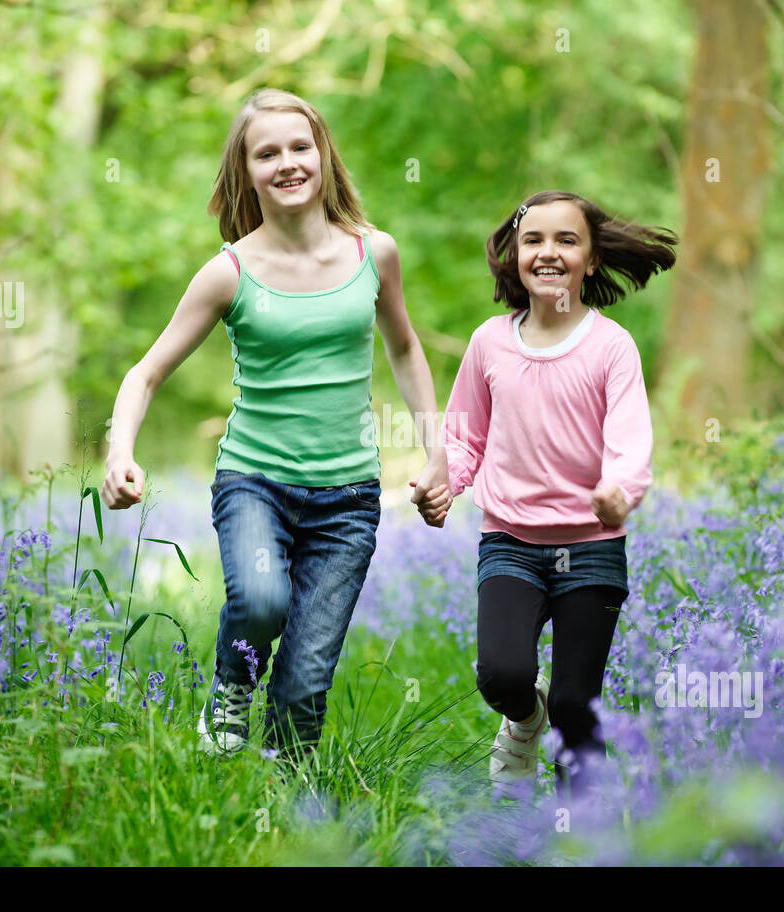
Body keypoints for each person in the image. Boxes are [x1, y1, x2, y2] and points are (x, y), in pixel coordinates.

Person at [101, 88, 449, 766]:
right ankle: (231, 687)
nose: (287, 163)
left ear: (323, 155)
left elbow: (405, 348)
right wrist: (120, 452)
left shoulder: (374, 254)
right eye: (267, 153)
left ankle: (283, 809)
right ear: (246, 171)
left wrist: (438, 455)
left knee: (304, 685)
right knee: (261, 599)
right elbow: (143, 374)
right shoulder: (229, 273)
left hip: (348, 497)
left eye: (299, 146)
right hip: (255, 483)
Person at [416, 190, 676, 797]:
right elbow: (463, 438)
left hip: (591, 549)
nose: (548, 252)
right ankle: (522, 719)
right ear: (514, 255)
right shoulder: (489, 342)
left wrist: (619, 490)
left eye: (566, 240)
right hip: (509, 540)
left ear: (590, 258)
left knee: (576, 704)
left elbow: (630, 440)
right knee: (502, 674)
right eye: (533, 240)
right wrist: (443, 484)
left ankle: (575, 839)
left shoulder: (611, 347)